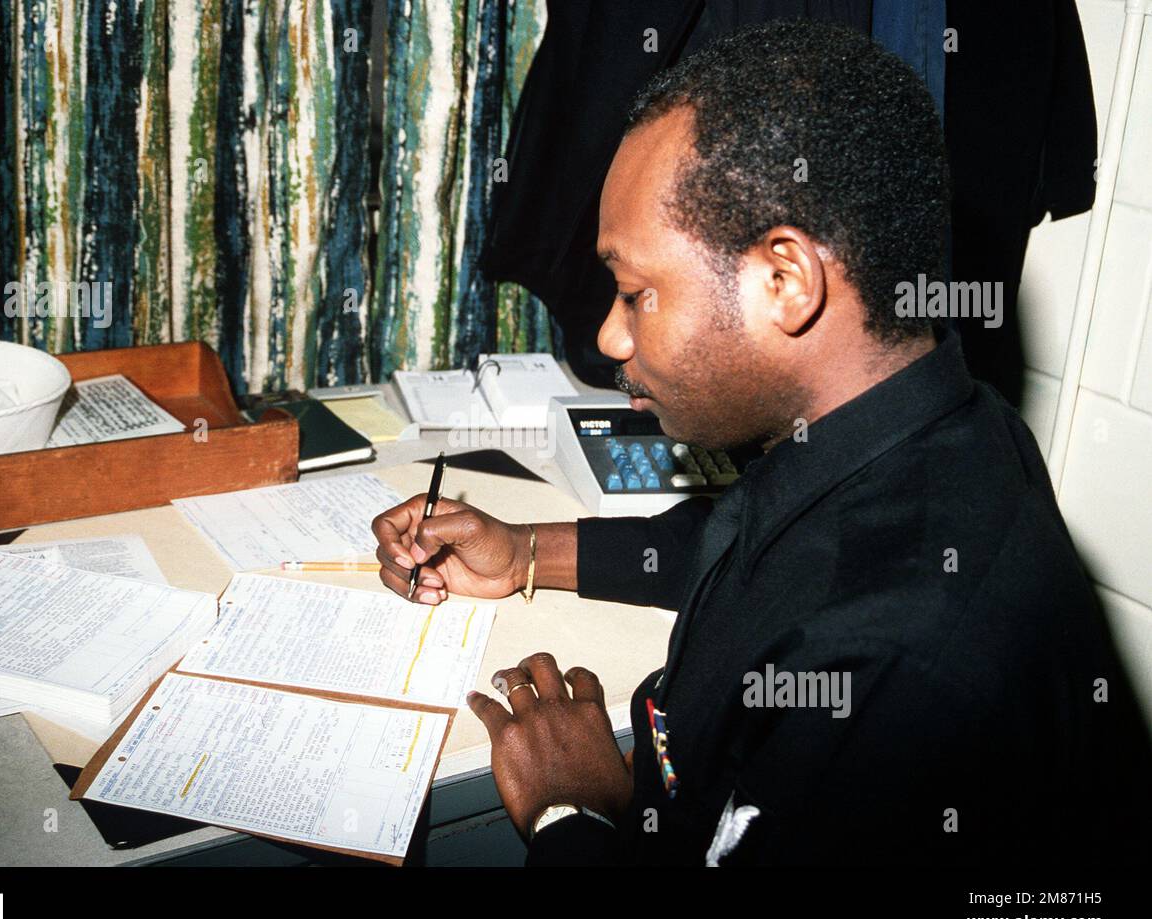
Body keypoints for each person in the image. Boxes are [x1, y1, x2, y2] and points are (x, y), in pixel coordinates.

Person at [372, 21, 1151, 865]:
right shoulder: (929, 425)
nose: (608, 336)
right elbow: (754, 553)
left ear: (786, 281)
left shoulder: (893, 682)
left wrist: (575, 819)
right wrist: (522, 550)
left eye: (635, 294)